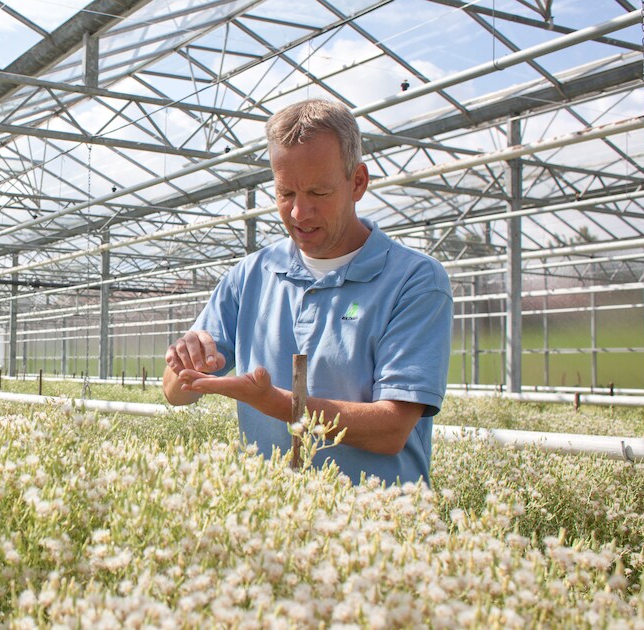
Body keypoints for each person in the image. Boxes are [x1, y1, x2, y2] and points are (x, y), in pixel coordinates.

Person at [163, 98, 452, 485]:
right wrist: (188, 364)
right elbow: (175, 393)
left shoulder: (414, 281)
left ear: (358, 182)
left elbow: (390, 430)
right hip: (273, 526)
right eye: (286, 194)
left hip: (378, 532)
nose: (299, 213)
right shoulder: (251, 275)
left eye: (318, 193)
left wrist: (277, 404)